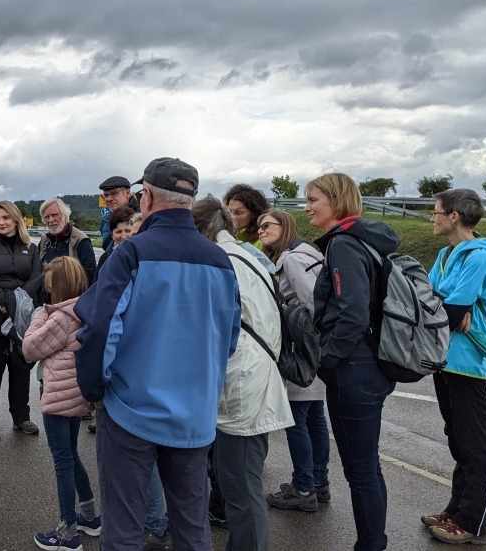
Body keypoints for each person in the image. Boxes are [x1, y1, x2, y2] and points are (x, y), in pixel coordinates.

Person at [75, 157, 241, 550]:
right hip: (195, 419)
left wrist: (95, 389)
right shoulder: (221, 260)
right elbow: (229, 339)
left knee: (124, 526)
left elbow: (99, 329)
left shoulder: (131, 253)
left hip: (132, 412)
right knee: (191, 524)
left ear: (146, 197)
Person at [191, 196, 294, 551]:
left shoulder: (221, 261)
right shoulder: (244, 257)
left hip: (243, 385)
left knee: (241, 489)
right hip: (249, 379)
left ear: (203, 230)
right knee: (236, 483)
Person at [307, 172, 399, 551]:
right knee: (366, 467)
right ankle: (373, 542)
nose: (308, 206)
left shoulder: (343, 244)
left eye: (314, 199)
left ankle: (371, 545)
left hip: (354, 369)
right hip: (371, 363)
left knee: (361, 470)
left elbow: (353, 315)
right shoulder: (363, 239)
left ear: (336, 201)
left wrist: (325, 360)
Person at [424, 189, 486, 545]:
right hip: (443, 358)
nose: (433, 217)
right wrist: (445, 308)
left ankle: (474, 524)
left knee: (475, 446)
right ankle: (457, 510)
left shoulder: (481, 259)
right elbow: (424, 304)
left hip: (467, 363)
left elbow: (449, 312)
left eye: (436, 212)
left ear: (454, 215)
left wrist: (445, 308)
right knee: (458, 440)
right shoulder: (445, 254)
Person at [22, 257, 102, 551]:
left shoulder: (61, 317)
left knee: (62, 463)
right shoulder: (86, 308)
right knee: (72, 457)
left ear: (59, 286)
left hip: (58, 397)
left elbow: (30, 349)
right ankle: (90, 517)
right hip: (78, 395)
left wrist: (39, 315)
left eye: (50, 285)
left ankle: (68, 534)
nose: (46, 290)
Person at [258, 210, 332, 512]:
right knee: (315, 417)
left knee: (297, 420)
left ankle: (303, 487)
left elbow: (310, 304)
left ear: (284, 226)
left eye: (267, 225)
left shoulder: (291, 259)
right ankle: (318, 482)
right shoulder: (309, 253)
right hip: (317, 348)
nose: (261, 230)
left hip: (301, 348)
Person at [0, 201, 42, 441]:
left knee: (20, 364)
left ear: (15, 219)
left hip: (20, 312)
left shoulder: (30, 248)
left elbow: (36, 276)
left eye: (5, 218)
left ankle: (21, 417)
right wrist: (4, 298)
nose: (1, 222)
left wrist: (16, 299)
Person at [38, 197, 97, 287]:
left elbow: (90, 275)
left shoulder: (80, 240)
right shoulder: (44, 240)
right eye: (46, 217)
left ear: (65, 216)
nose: (50, 220)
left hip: (70, 296)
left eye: (54, 215)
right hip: (46, 295)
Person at [98, 176, 139, 251]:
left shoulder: (141, 217)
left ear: (127, 193)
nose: (109, 199)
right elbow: (107, 248)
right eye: (106, 195)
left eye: (114, 193)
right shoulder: (106, 219)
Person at [223, 183, 270, 249]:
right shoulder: (228, 235)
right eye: (230, 212)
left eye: (238, 213)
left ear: (254, 213)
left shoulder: (263, 240)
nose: (232, 217)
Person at [95, 206, 135, 276]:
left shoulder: (142, 258)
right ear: (112, 235)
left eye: (128, 231)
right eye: (119, 232)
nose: (123, 236)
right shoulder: (105, 259)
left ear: (135, 232)